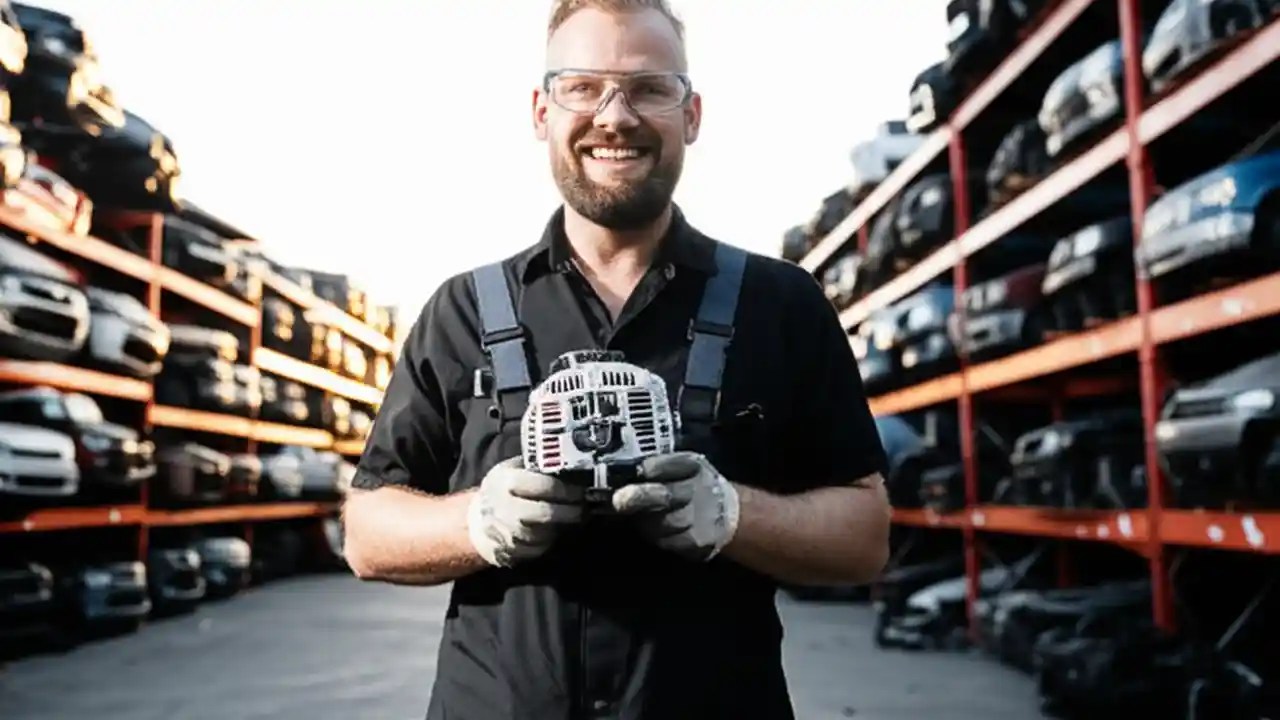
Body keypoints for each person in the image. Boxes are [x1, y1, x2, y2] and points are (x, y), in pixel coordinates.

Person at [341, 1, 892, 718]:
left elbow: (865, 537)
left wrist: (733, 514)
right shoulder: (463, 311)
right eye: (582, 86)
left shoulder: (781, 306)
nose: (615, 116)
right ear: (542, 111)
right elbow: (367, 532)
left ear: (691, 115)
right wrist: (476, 522)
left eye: (649, 88)